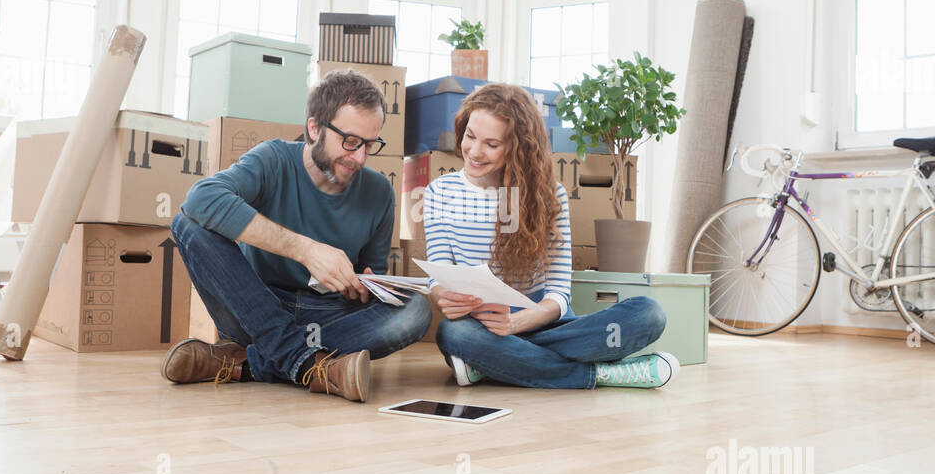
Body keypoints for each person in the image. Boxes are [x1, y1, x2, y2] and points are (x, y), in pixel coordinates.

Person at [164, 69, 431, 402]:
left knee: (416, 310)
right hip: (256, 308)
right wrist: (305, 250)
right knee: (187, 224)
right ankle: (308, 363)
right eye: (350, 142)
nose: (360, 157)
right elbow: (201, 199)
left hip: (327, 317)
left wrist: (362, 287)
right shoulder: (273, 159)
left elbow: (372, 278)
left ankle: (248, 363)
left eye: (369, 144)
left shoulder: (379, 192)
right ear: (314, 128)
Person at [423, 83, 678, 390]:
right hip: (483, 327)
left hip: (546, 323)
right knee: (454, 334)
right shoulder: (440, 191)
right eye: (470, 136)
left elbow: (558, 292)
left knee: (649, 314)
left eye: (491, 144)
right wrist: (443, 298)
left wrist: (518, 323)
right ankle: (601, 374)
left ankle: (498, 365)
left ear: (518, 149)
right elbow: (437, 276)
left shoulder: (549, 195)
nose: (474, 151)